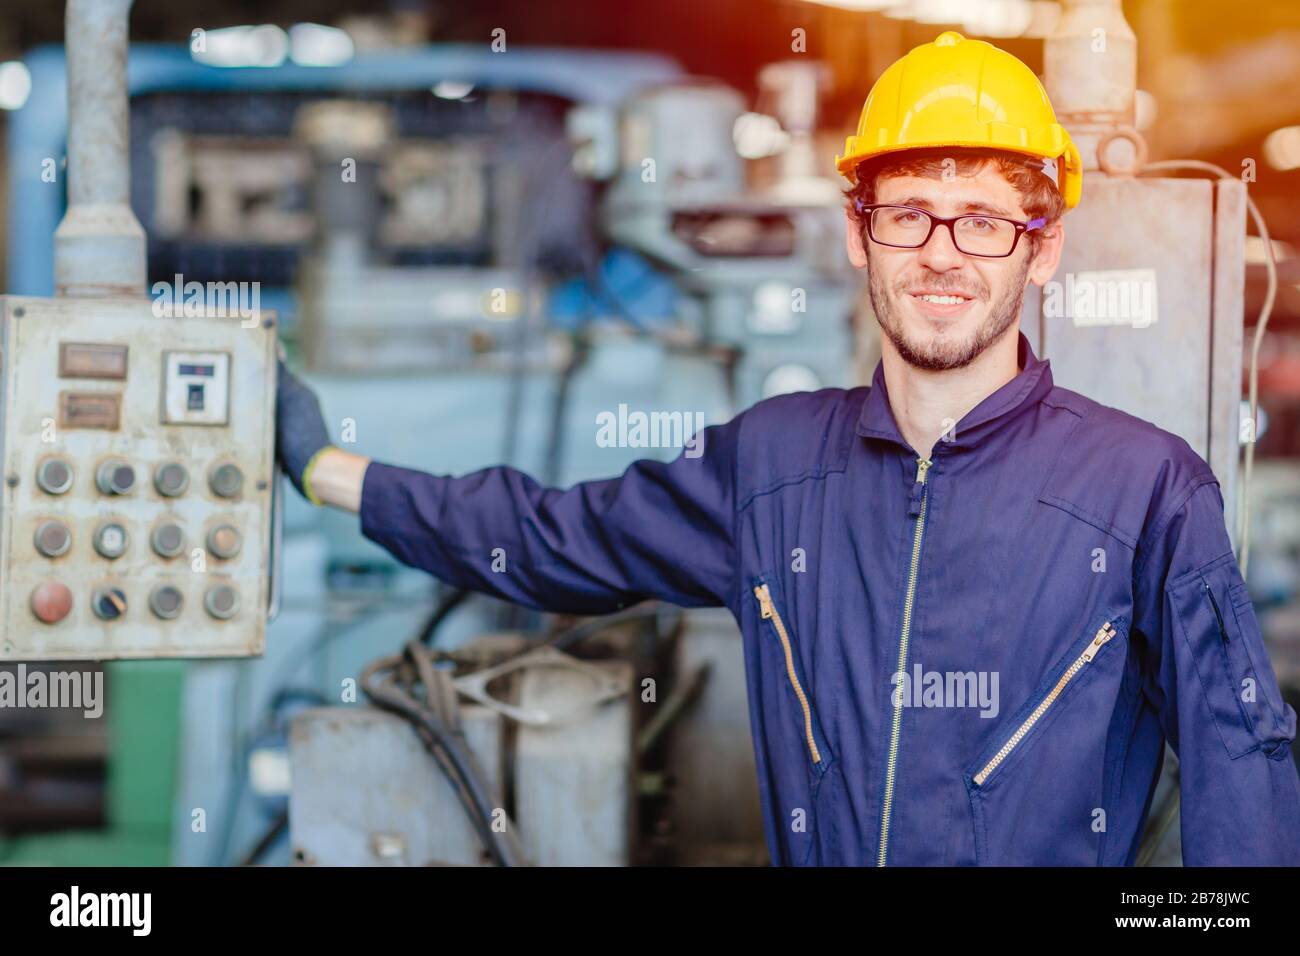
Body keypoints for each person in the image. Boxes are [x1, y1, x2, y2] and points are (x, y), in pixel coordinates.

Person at [274, 31, 1300, 865]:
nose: (942, 253)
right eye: (908, 215)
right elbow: (546, 535)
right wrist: (331, 470)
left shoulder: (1147, 489)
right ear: (858, 235)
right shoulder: (769, 470)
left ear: (1042, 249)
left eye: (985, 220)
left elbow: (1239, 757)